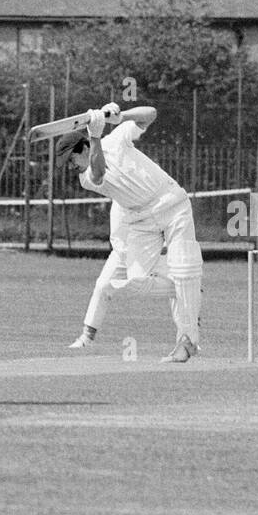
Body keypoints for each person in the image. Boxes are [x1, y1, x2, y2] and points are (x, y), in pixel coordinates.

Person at [62, 103, 202, 363]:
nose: (71, 167)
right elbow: (99, 171)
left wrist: (119, 116)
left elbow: (151, 114)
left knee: (184, 269)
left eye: (71, 159)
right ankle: (184, 288)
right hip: (140, 220)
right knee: (137, 283)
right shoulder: (86, 177)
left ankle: (186, 343)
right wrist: (94, 135)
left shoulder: (117, 138)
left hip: (172, 203)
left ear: (80, 149)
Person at [67, 200, 175, 349]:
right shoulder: (119, 196)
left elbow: (166, 218)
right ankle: (86, 338)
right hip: (121, 254)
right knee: (103, 286)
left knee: (179, 286)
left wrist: (164, 243)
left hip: (151, 251)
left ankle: (187, 336)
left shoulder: (149, 194)